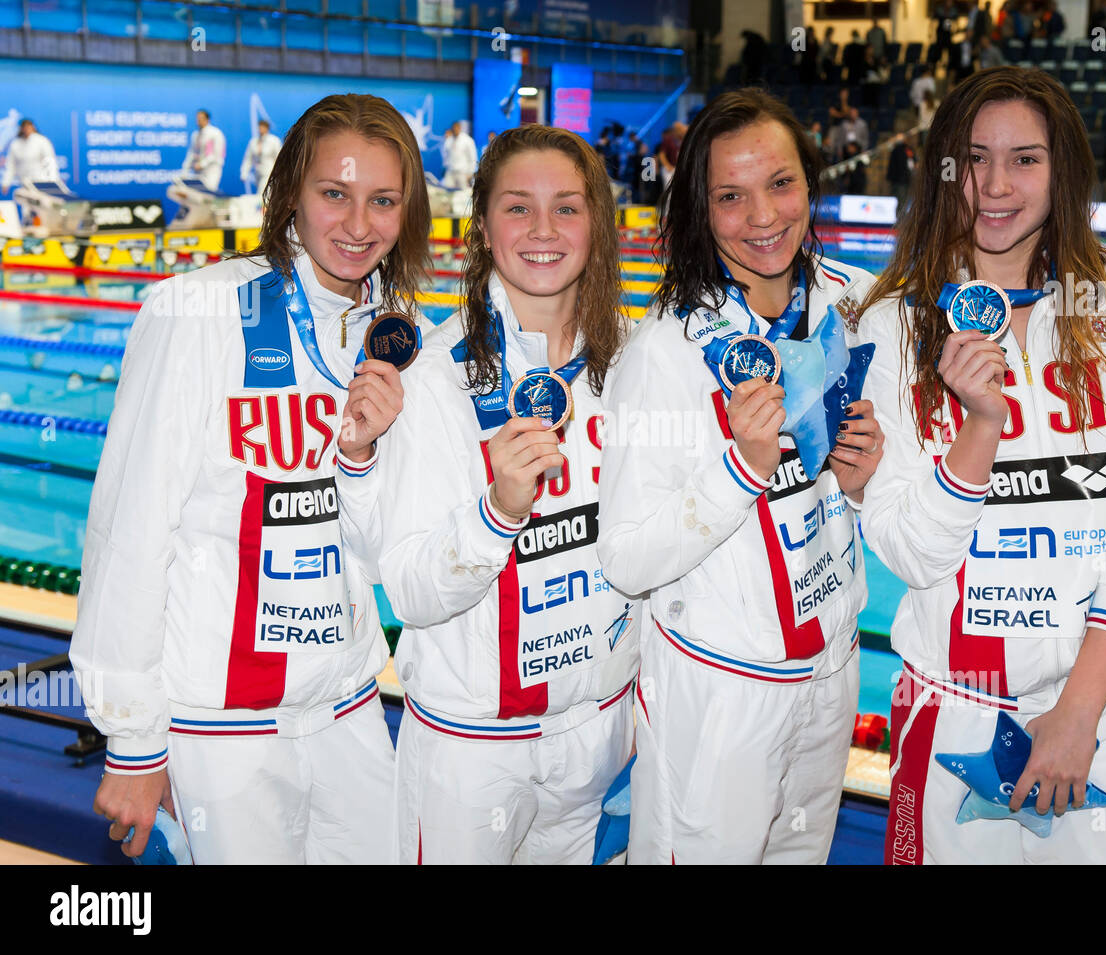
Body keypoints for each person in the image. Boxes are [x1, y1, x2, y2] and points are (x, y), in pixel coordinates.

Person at [71, 92, 432, 863]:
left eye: (383, 201)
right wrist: (133, 738)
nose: (358, 225)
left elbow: (390, 547)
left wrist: (368, 457)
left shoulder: (402, 341)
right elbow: (129, 530)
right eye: (334, 194)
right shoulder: (194, 314)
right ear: (290, 194)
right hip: (219, 725)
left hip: (350, 705)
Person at [858, 66, 1106, 865]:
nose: (995, 186)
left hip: (1105, 713)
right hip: (953, 713)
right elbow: (911, 551)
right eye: (974, 158)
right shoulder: (893, 325)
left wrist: (1079, 712)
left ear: (1064, 169)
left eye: (1025, 159)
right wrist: (977, 432)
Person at [335, 125, 641, 864]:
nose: (543, 231)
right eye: (517, 208)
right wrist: (497, 511)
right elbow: (408, 588)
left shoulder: (631, 362)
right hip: (474, 755)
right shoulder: (436, 378)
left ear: (598, 223)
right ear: (482, 228)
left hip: (602, 735)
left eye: (567, 208)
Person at [598, 88, 883, 864]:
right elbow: (624, 557)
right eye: (730, 196)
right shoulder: (664, 353)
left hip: (833, 672)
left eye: (781, 184)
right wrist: (739, 469)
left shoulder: (848, 304)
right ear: (698, 209)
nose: (763, 216)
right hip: (723, 693)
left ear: (812, 184)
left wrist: (866, 474)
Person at [1, 117, 59, 193]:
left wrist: (53, 181)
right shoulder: (15, 144)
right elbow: (11, 165)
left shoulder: (42, 141)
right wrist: (6, 182)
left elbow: (50, 162)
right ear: (21, 129)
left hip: (41, 181)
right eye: (24, 127)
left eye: (28, 127)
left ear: (33, 127)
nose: (26, 129)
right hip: (25, 182)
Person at [183, 108, 226, 192]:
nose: (198, 120)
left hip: (212, 170)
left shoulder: (215, 133)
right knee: (196, 195)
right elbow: (191, 153)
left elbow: (217, 154)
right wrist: (185, 170)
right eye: (197, 118)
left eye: (201, 118)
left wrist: (202, 164)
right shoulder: (195, 135)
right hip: (199, 172)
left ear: (207, 119)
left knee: (208, 194)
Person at [239, 118, 282, 198]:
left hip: (269, 171)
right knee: (260, 193)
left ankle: (263, 210)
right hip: (258, 172)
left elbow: (279, 158)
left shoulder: (274, 141)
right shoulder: (254, 141)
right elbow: (248, 158)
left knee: (263, 193)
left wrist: (279, 173)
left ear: (267, 128)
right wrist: (244, 172)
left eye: (263, 127)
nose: (260, 129)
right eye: (259, 127)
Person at [443, 120, 478, 189]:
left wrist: (471, 173)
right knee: (446, 191)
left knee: (463, 193)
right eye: (453, 128)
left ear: (460, 128)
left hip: (462, 172)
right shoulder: (449, 141)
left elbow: (473, 157)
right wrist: (445, 167)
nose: (455, 129)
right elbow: (446, 156)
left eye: (457, 128)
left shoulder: (467, 140)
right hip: (451, 171)